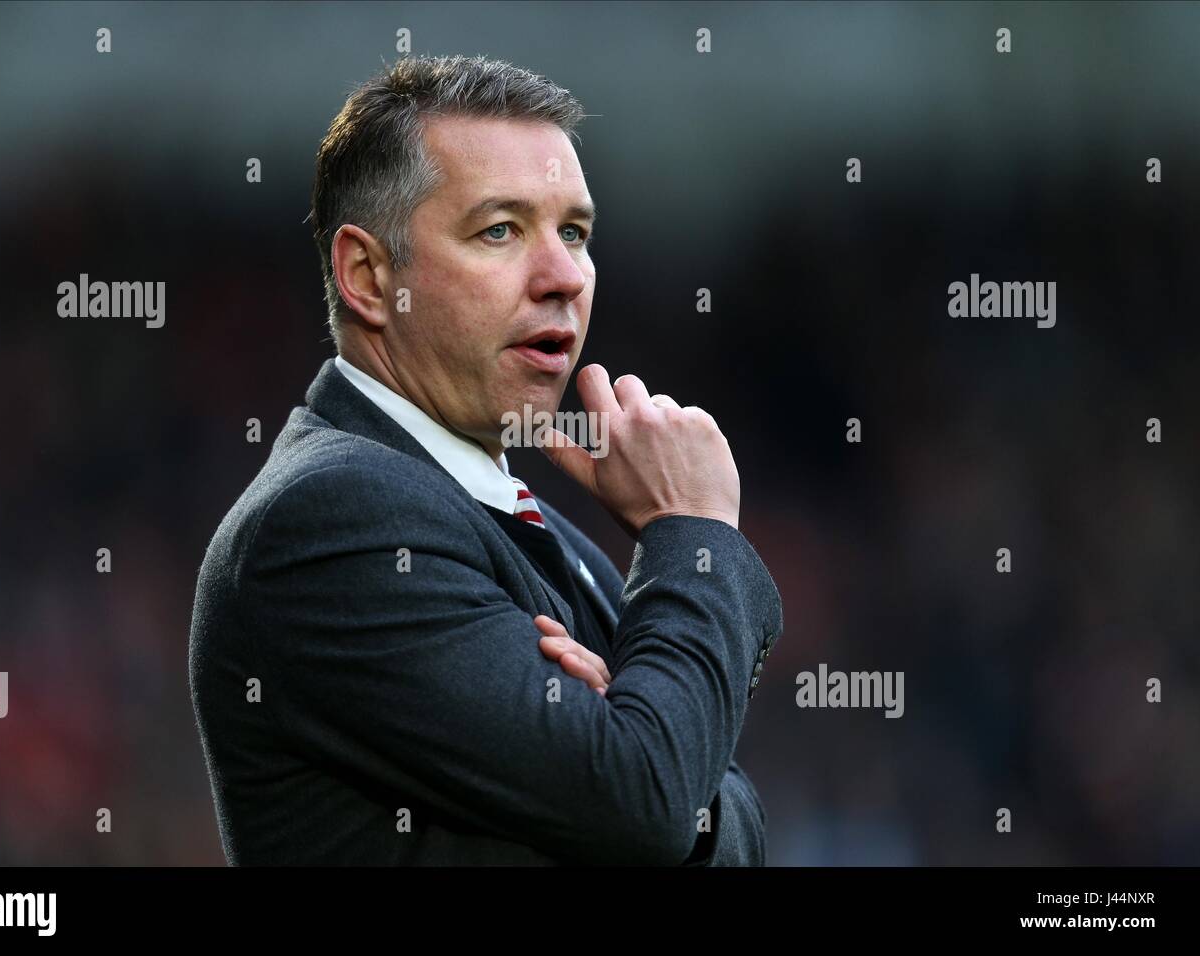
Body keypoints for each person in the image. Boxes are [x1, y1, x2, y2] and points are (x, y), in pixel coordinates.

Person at [189, 54, 783, 865]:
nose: (564, 277)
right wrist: (693, 530)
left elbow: (719, 817)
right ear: (368, 276)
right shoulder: (328, 519)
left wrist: (674, 786)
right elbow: (643, 799)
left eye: (574, 232)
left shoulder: (555, 543)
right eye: (499, 230)